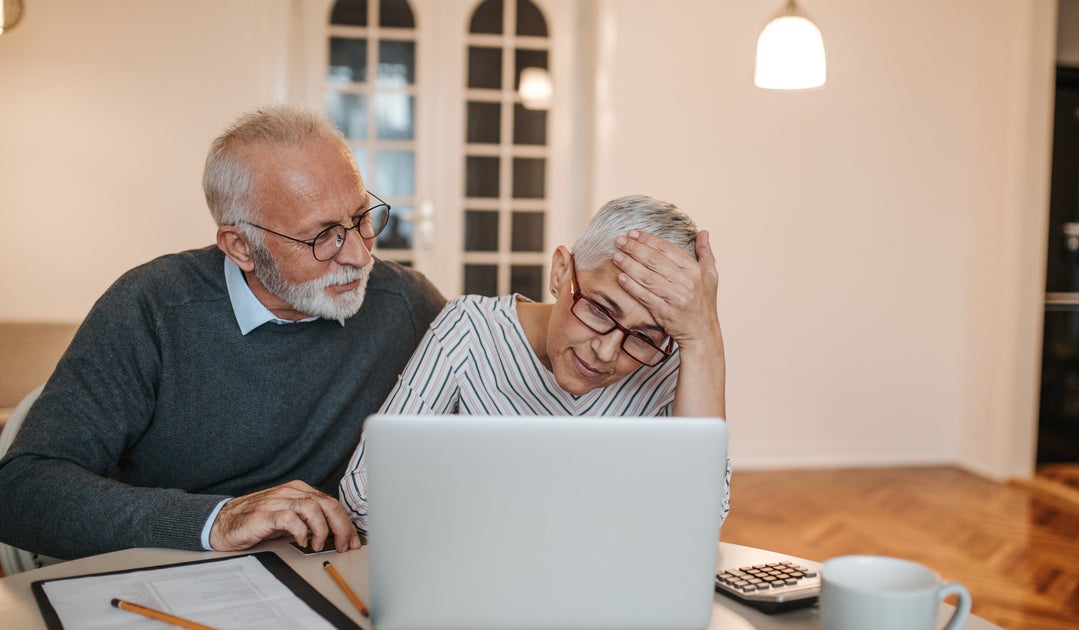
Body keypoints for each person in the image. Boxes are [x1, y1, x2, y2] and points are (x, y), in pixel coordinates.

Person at [0, 104, 445, 560]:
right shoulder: (153, 308)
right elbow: (22, 489)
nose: (358, 254)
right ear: (241, 247)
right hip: (173, 576)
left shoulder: (404, 301)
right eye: (322, 236)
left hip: (331, 576)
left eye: (361, 218)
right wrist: (219, 520)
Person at [340, 195, 729, 533]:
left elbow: (699, 519)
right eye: (598, 309)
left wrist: (703, 338)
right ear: (561, 272)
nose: (607, 353)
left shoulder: (668, 363)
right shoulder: (470, 329)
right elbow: (363, 492)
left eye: (644, 336)